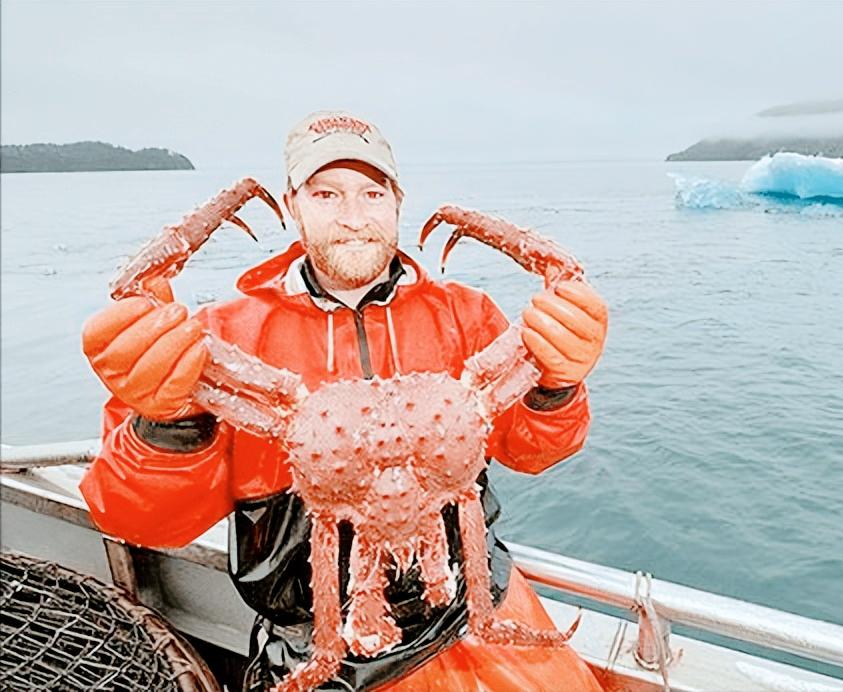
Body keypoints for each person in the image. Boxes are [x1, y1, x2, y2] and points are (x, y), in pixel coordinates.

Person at [79, 110, 608, 691]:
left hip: (479, 604)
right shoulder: (217, 344)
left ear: (397, 203)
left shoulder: (468, 316)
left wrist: (557, 385)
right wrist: (167, 425)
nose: (353, 216)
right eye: (326, 193)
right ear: (293, 204)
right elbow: (138, 519)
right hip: (318, 643)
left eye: (372, 192)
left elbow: (535, 451)